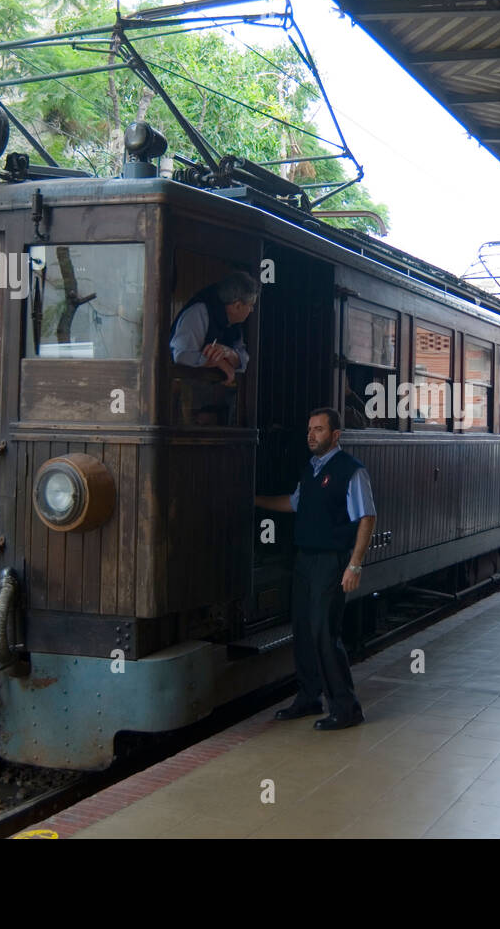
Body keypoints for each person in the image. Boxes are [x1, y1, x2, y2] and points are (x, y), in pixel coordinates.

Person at [255, 408, 376, 730]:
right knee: (305, 631)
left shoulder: (351, 471)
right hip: (305, 559)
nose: (311, 435)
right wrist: (255, 501)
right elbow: (294, 504)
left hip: (332, 561)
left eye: (319, 430)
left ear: (335, 435)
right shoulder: (310, 469)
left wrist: (354, 565)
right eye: (309, 429)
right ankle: (309, 698)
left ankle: (346, 707)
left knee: (324, 632)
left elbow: (367, 517)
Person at [169, 272, 260, 424]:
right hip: (183, 402)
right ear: (237, 305)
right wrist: (220, 362)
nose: (252, 310)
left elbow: (243, 360)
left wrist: (229, 353)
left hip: (211, 398)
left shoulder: (235, 324)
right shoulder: (199, 312)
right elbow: (181, 355)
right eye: (250, 305)